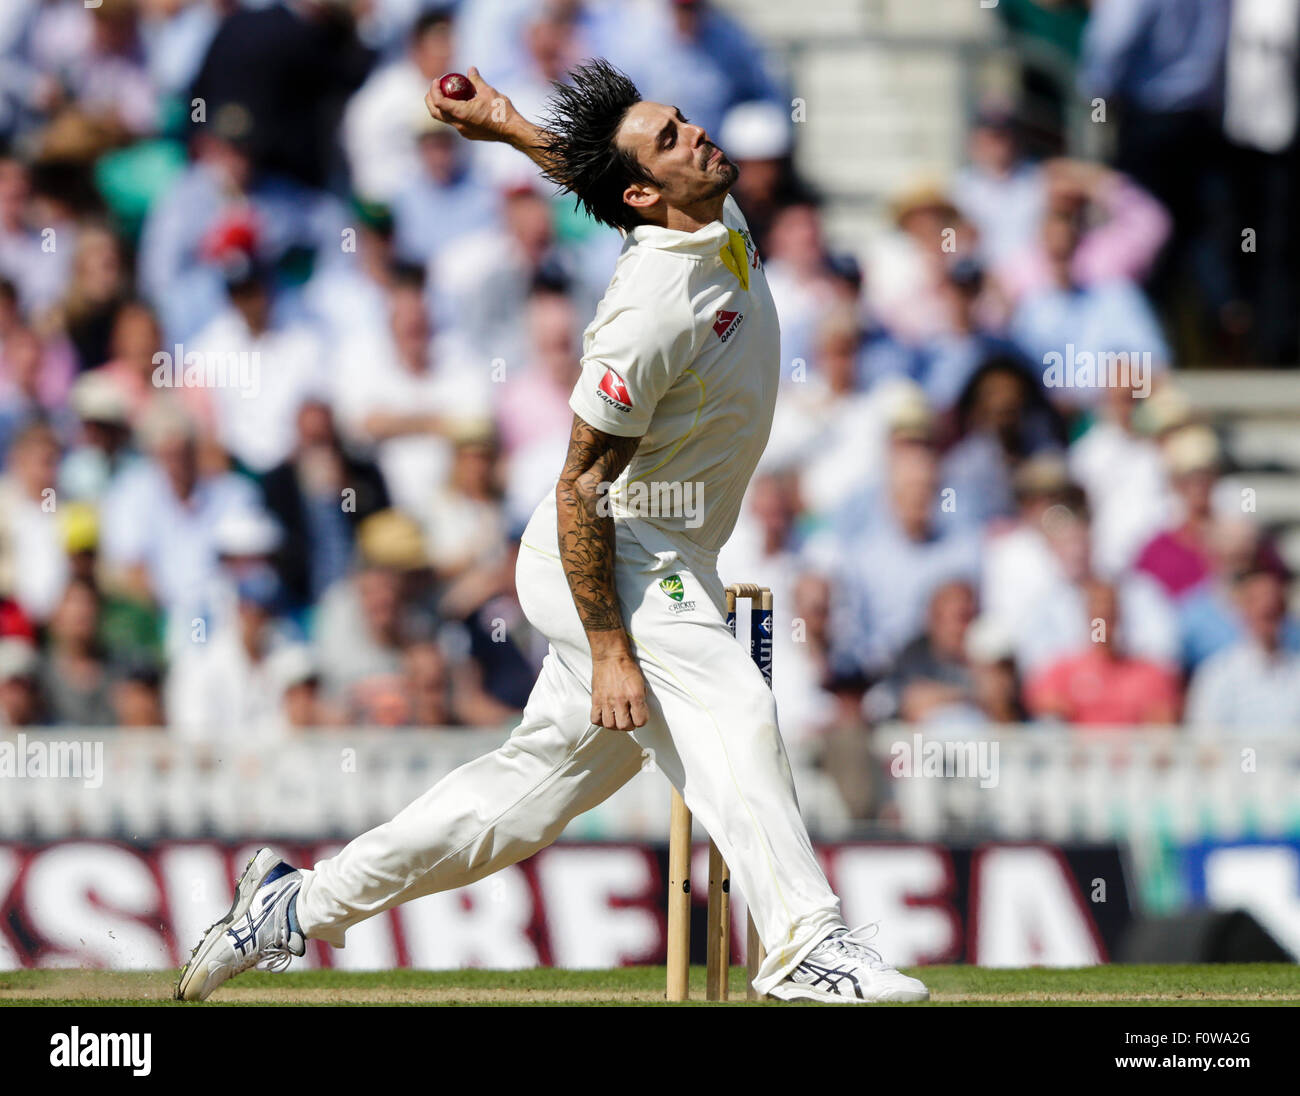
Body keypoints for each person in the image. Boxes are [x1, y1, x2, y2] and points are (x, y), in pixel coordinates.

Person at [176, 59, 928, 1005]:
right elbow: (578, 490)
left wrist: (505, 121)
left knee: (512, 813)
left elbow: (608, 177)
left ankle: (289, 908)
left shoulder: (711, 216)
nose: (696, 134)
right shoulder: (646, 309)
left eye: (685, 121)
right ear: (652, 190)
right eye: (672, 138)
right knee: (733, 704)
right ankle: (803, 943)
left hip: (672, 551)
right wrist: (610, 646)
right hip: (617, 553)